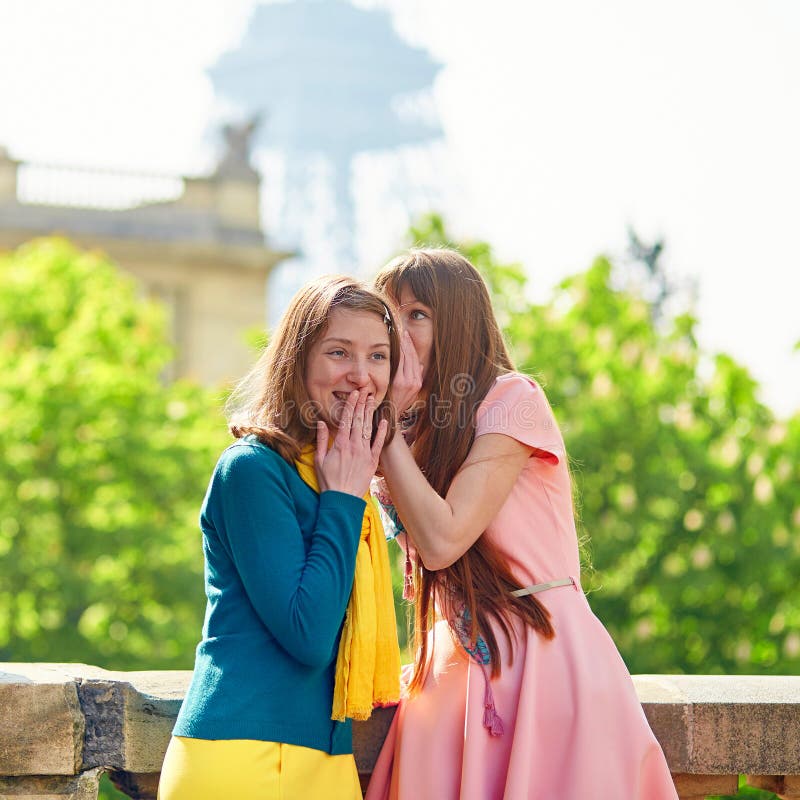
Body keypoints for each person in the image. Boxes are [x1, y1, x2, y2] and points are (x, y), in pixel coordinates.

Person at [366, 249, 677, 800]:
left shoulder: (513, 400)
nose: (401, 333)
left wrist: (387, 429)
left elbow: (442, 539)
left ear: (459, 322)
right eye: (391, 317)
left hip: (541, 654)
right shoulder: (411, 429)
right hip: (450, 670)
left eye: (418, 314)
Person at [158, 276, 402, 800]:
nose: (361, 376)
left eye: (378, 357)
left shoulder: (345, 474)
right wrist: (343, 500)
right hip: (239, 754)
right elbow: (307, 634)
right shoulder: (253, 470)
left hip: (325, 756)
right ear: (299, 360)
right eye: (339, 352)